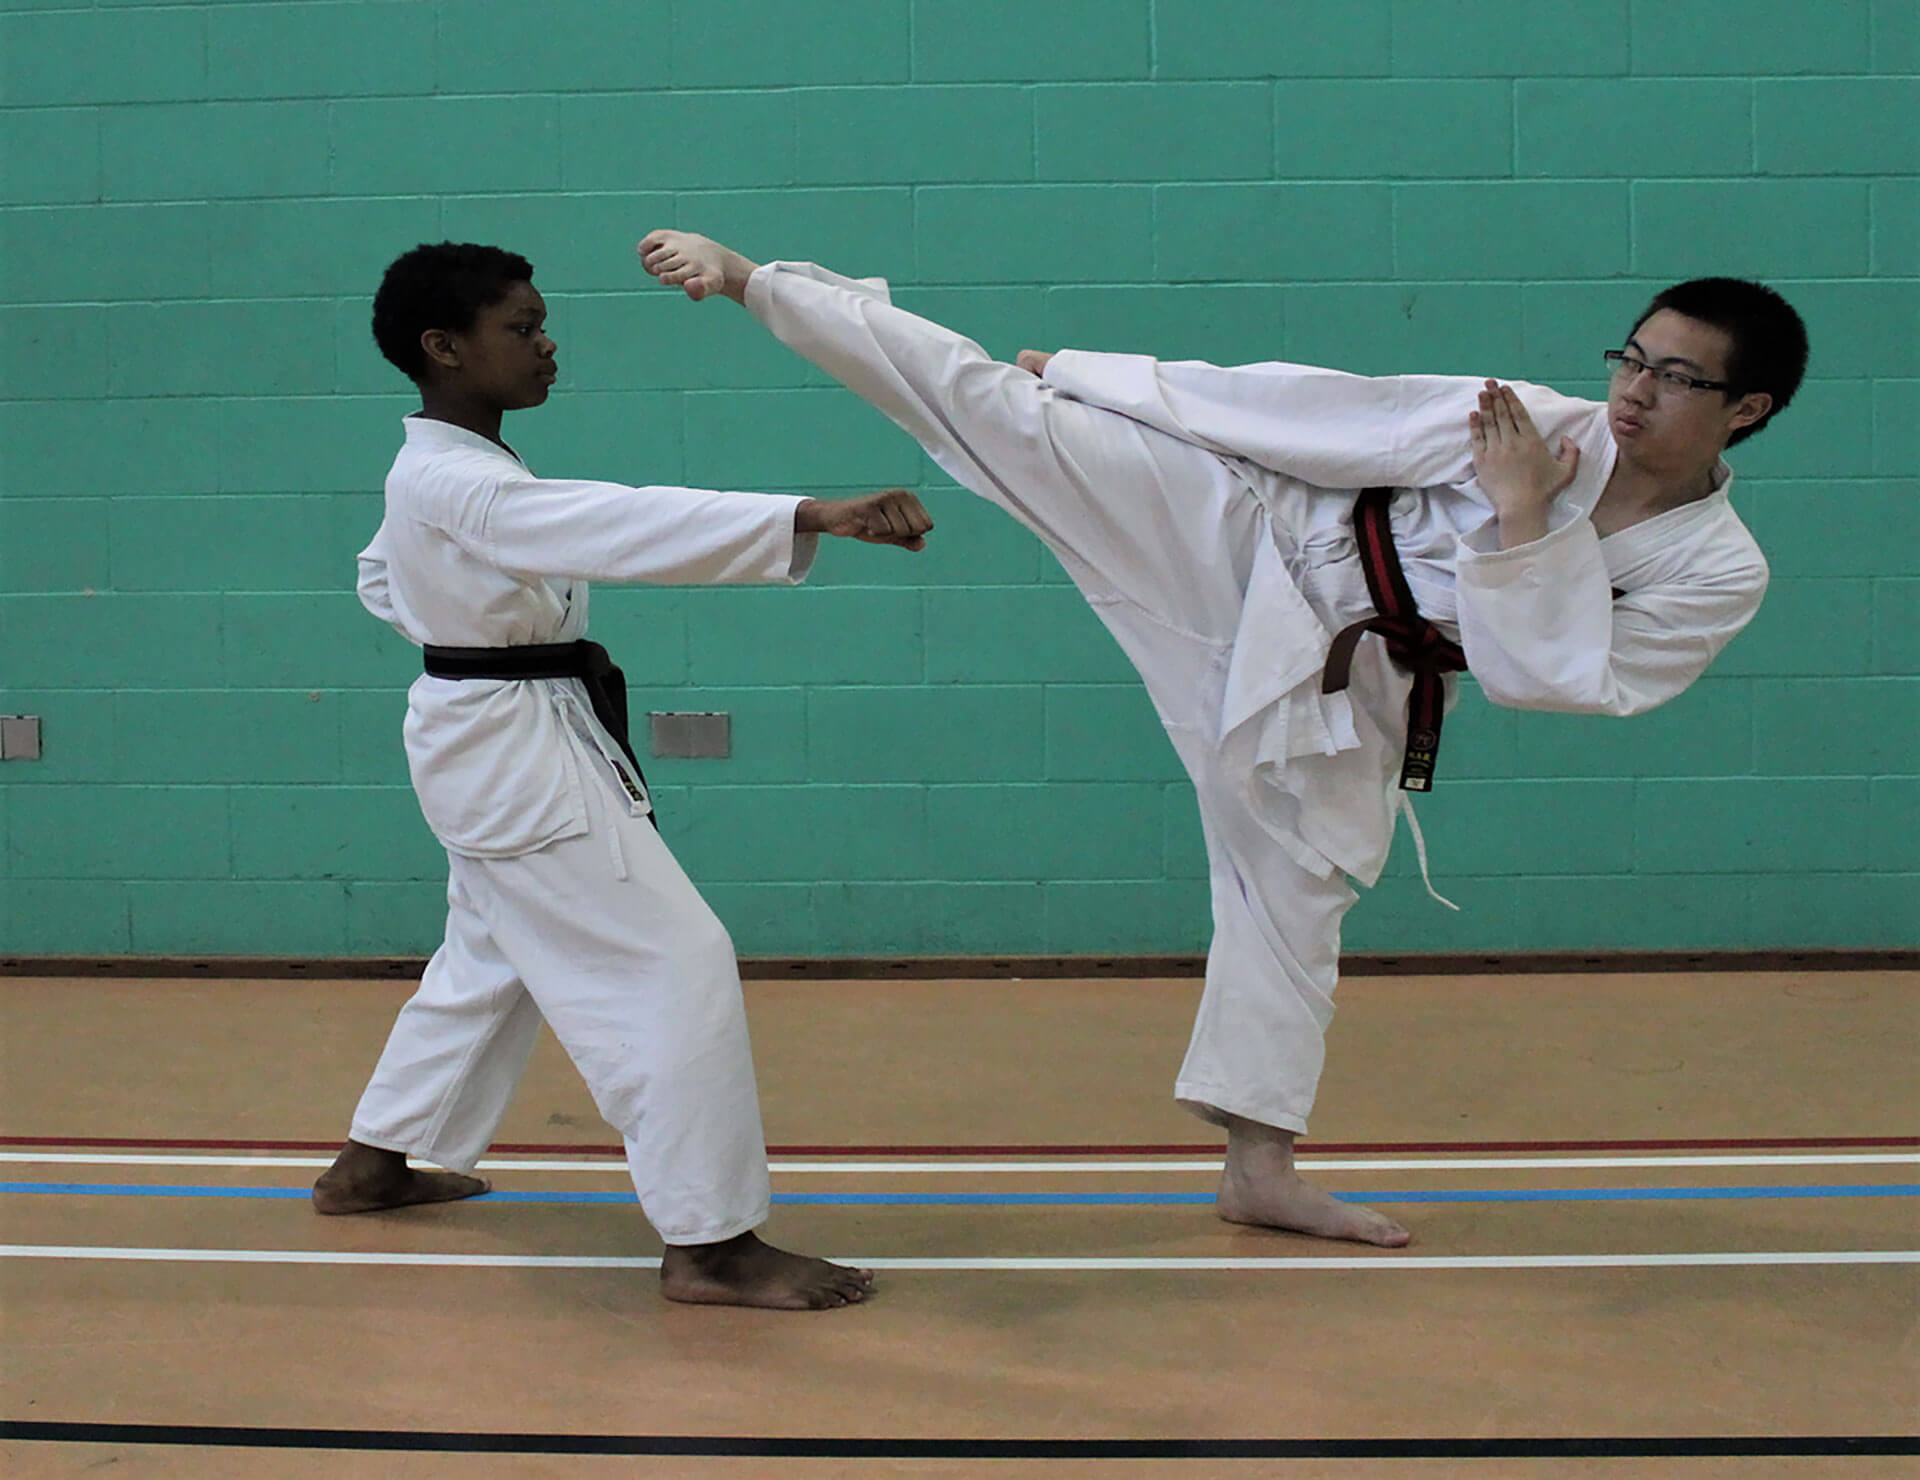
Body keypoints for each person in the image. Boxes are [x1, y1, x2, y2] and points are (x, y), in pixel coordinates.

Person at [637, 228, 1807, 1248]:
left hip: (1353, 666)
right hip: (1256, 539)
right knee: (1008, 411)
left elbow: (1544, 680)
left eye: (1676, 376)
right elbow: (1320, 408)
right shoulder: (1538, 422)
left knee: (1299, 887)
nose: (1634, 390)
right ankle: (758, 282)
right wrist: (1104, 380)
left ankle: (1259, 1170)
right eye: (1632, 357)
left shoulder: (1715, 569)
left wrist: (1517, 513)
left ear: (1744, 411)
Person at [313, 241, 933, 1309]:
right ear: (444, 347)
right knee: (677, 962)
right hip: (510, 751)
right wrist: (803, 514)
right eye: (522, 327)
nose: (547, 344)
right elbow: (615, 521)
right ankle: (711, 1241)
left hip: (495, 734)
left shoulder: (447, 472)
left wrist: (456, 632)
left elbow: (381, 574)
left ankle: (375, 1164)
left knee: (490, 954)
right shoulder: (458, 479)